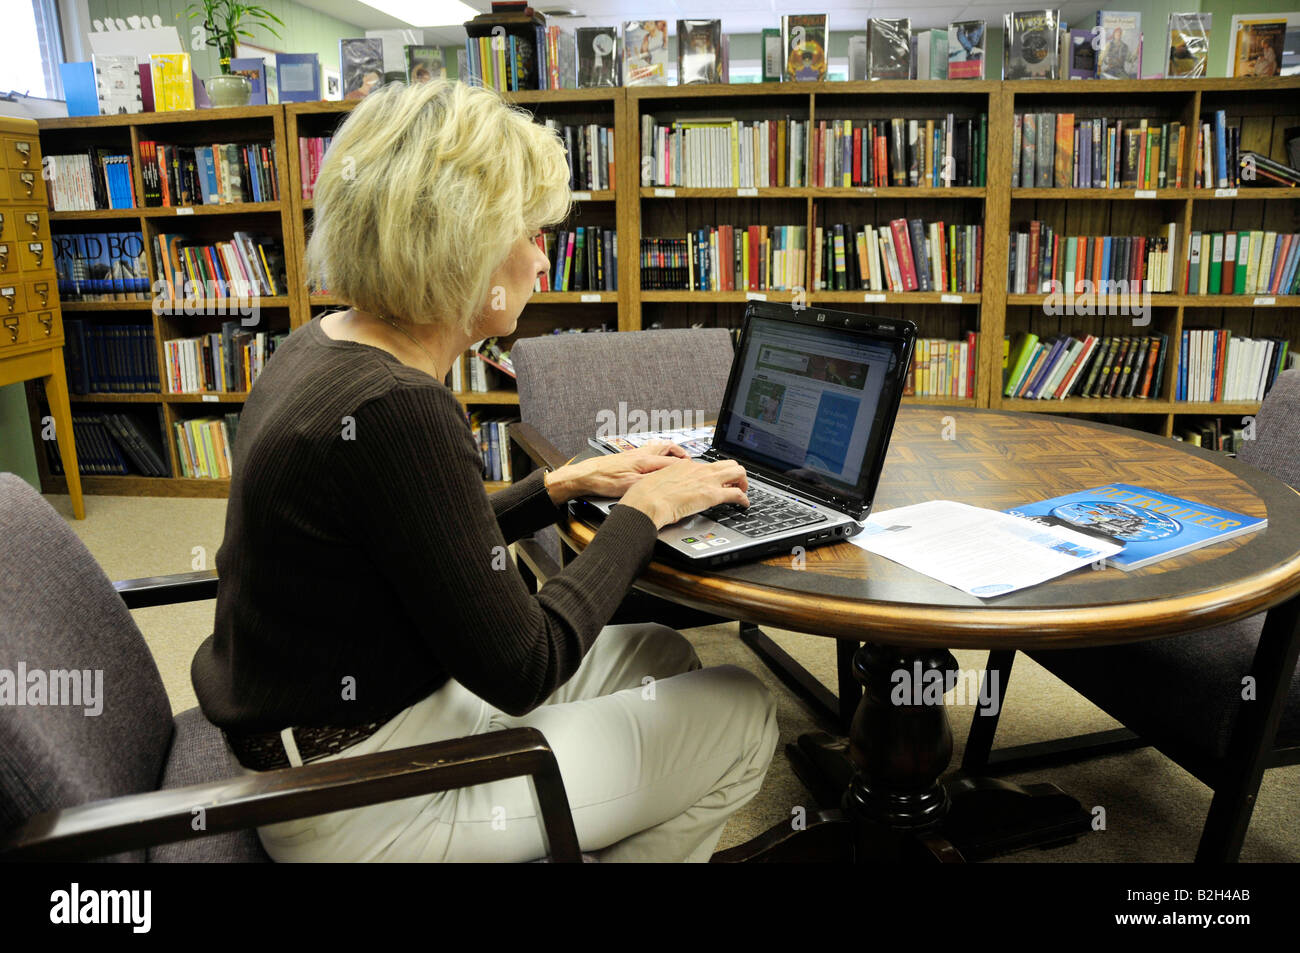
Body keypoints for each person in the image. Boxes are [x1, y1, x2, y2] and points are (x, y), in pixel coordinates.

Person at [190, 79, 778, 863]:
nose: (541, 255)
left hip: (350, 723)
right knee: (743, 708)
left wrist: (558, 486)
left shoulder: (321, 346)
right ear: (462, 244)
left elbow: (412, 542)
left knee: (661, 658)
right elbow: (524, 665)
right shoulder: (400, 406)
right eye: (529, 230)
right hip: (359, 797)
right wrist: (646, 510)